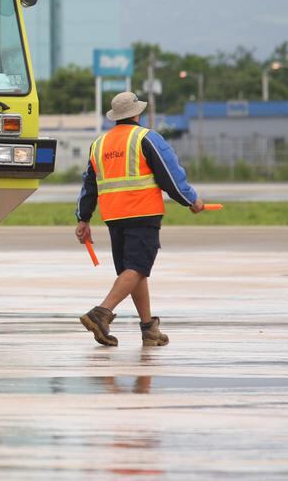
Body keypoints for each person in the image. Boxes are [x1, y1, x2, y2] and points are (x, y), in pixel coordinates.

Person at [76, 91, 206, 347]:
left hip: (113, 216)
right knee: (137, 268)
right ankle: (101, 314)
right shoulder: (146, 138)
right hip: (142, 213)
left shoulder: (99, 144)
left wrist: (83, 219)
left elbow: (88, 186)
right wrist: (191, 200)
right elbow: (171, 176)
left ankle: (149, 328)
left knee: (134, 271)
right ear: (137, 112)